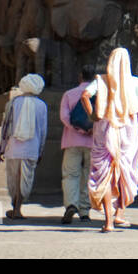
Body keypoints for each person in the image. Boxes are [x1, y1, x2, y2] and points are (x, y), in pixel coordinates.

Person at [82, 48, 138, 233]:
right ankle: (120, 213)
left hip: (105, 128)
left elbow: (84, 95)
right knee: (125, 170)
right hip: (128, 130)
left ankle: (109, 221)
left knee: (106, 173)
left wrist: (93, 115)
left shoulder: (100, 80)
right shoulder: (135, 82)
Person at [0, 74, 48, 220]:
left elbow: (6, 127)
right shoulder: (42, 105)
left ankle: (15, 207)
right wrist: (41, 150)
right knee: (24, 180)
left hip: (13, 148)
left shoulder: (13, 103)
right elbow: (43, 131)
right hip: (32, 149)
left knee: (13, 180)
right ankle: (18, 208)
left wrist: (2, 148)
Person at [59, 67, 95, 224]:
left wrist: (76, 128)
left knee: (70, 175)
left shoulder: (69, 94)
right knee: (89, 175)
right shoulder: (98, 94)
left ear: (80, 77)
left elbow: (64, 117)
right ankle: (85, 210)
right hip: (93, 141)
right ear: (94, 78)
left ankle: (71, 205)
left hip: (72, 140)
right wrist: (91, 128)